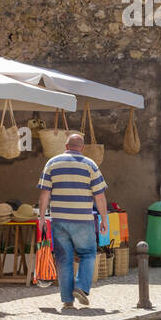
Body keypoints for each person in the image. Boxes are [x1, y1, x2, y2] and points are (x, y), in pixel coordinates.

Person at [37, 132, 109, 310]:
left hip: (59, 220)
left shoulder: (52, 163)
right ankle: (82, 287)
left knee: (64, 259)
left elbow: (44, 194)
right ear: (82, 148)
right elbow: (99, 196)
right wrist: (104, 219)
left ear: (66, 146)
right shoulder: (90, 165)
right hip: (82, 220)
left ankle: (67, 300)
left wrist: (41, 217)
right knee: (88, 253)